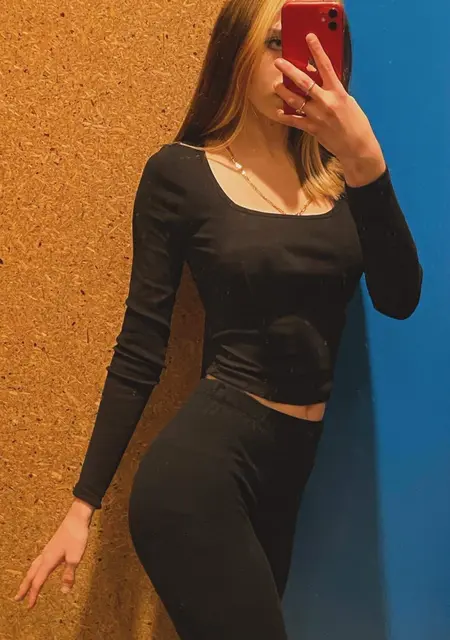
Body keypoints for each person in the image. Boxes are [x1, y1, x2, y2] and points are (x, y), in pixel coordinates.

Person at [14, 0, 423, 637]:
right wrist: (82, 504)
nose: (295, 63)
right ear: (235, 50)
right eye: (276, 42)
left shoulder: (341, 179)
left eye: (312, 44)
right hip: (201, 474)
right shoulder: (180, 174)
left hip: (287, 476)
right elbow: (140, 345)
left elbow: (400, 299)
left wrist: (366, 159)